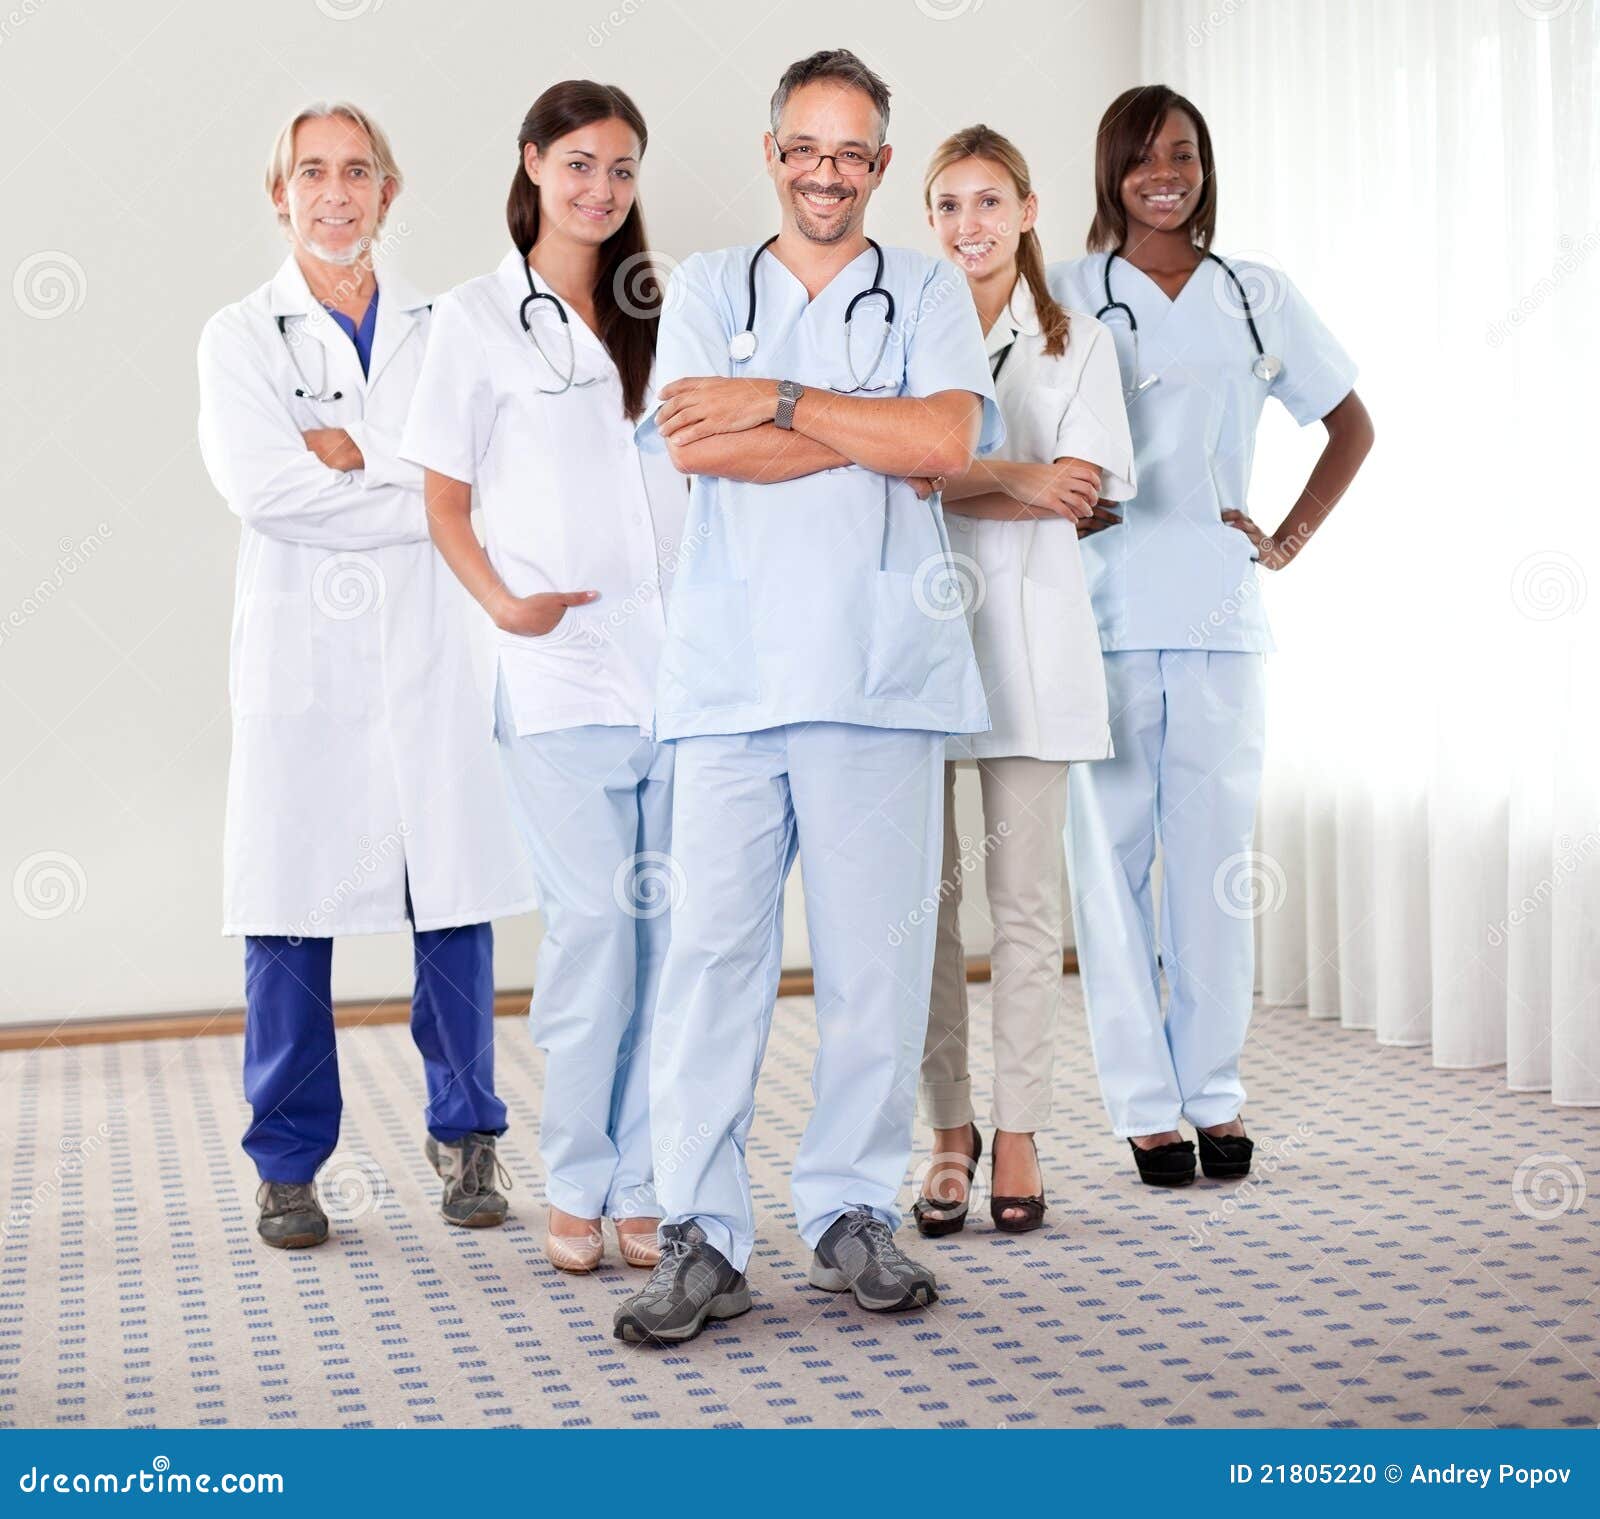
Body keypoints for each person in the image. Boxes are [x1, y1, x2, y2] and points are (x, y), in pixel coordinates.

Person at [612, 49, 1003, 1346]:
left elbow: (947, 442)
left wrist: (777, 400)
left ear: (880, 165)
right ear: (772, 153)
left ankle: (849, 1212)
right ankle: (701, 1232)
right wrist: (865, 426)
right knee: (710, 962)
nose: (825, 173)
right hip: (729, 675)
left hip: (878, 674)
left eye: (850, 153)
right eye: (804, 148)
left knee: (871, 963)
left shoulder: (928, 285)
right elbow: (694, 443)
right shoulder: (709, 285)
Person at [197, 102, 536, 1249]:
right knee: (289, 911)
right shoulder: (240, 337)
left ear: (389, 192)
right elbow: (267, 492)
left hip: (436, 654)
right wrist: (424, 490)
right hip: (306, 665)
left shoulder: (450, 330)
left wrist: (360, 459)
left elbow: (489, 478)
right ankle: (289, 1164)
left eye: (357, 171)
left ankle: (468, 1133)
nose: (335, 193)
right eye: (312, 172)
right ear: (278, 194)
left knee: (452, 899)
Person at [1051, 86, 1374, 1186]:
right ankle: (1145, 1108)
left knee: (1214, 869)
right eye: (1143, 157)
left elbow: (1350, 423)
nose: (1165, 175)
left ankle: (1215, 1093)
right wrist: (1058, 506)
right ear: (1112, 170)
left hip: (1223, 617)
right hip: (1102, 615)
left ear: (1204, 166)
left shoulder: (1254, 292)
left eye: (1182, 154)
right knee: (1111, 871)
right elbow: (1011, 428)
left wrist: (1285, 539)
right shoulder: (1068, 291)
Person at [400, 81, 685, 1274]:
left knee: (672, 939)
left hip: (680, 675)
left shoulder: (663, 308)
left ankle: (646, 1179)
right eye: (578, 164)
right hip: (558, 674)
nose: (599, 190)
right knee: (594, 933)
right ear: (532, 164)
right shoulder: (474, 318)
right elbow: (443, 499)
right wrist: (504, 605)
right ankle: (578, 1172)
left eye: (620, 169)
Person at [913, 125, 1134, 1237]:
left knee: (1028, 908)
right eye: (949, 205)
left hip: (1036, 650)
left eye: (989, 201)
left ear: (1029, 210)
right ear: (930, 221)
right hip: (919, 646)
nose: (970, 225)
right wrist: (1019, 478)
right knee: (925, 908)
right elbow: (898, 471)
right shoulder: (904, 330)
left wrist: (964, 474)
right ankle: (947, 1127)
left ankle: (1019, 1133)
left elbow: (1079, 491)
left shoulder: (1077, 342)